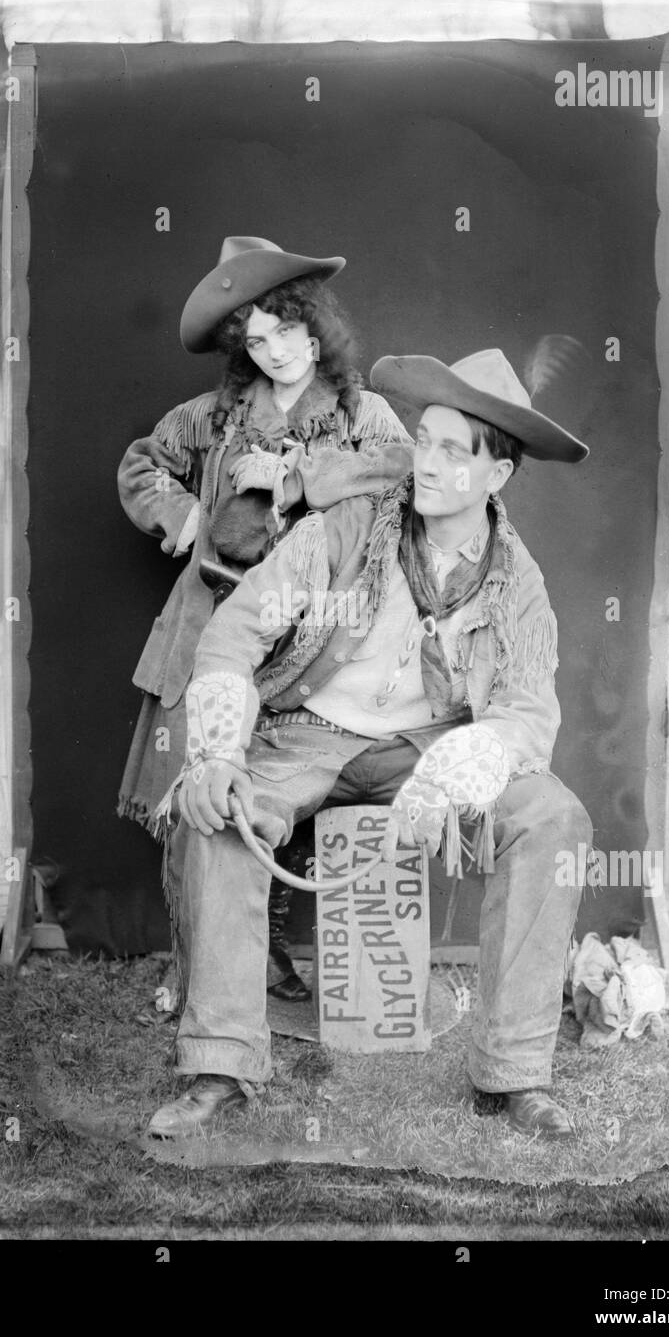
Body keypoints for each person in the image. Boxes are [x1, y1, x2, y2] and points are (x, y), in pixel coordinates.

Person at [146, 347, 595, 1143]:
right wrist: (217, 753)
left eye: (456, 450)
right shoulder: (348, 528)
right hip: (308, 732)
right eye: (425, 438)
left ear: (498, 476)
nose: (428, 461)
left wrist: (450, 773)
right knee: (221, 810)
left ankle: (516, 1071)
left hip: (430, 746)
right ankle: (220, 1063)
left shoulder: (518, 583)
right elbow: (234, 636)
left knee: (553, 818)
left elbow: (528, 715)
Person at [116, 236, 413, 999]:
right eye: (255, 339)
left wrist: (298, 478)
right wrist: (185, 519)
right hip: (211, 629)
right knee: (198, 796)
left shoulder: (360, 414)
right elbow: (142, 462)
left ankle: (266, 951)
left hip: (312, 642)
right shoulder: (213, 416)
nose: (274, 349)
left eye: (285, 330)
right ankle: (195, 977)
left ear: (314, 330)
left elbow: (407, 471)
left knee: (276, 799)